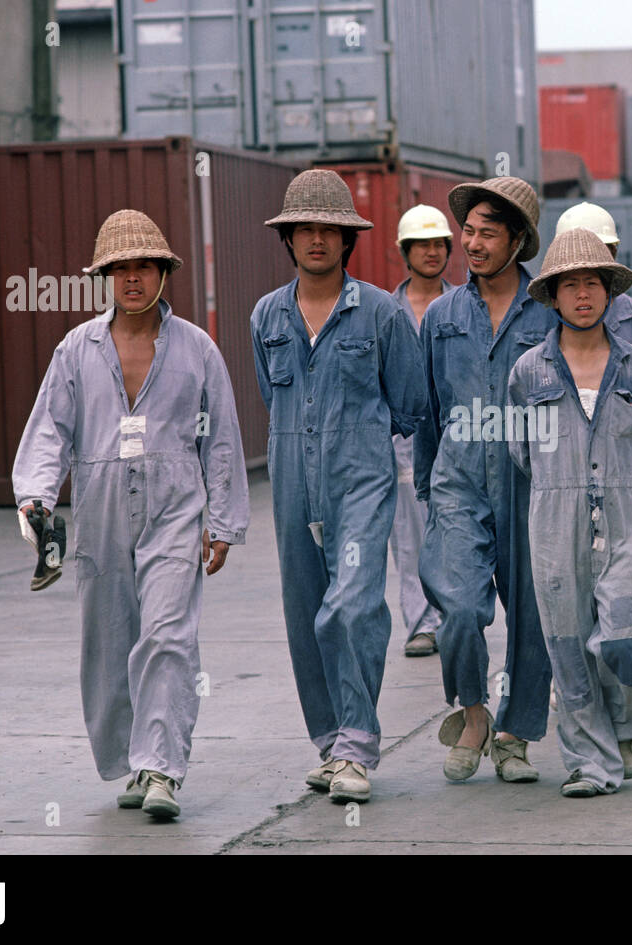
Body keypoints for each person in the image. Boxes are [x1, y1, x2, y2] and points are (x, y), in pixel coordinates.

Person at [12, 209, 250, 819]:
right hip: (101, 504)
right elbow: (48, 430)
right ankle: (133, 760)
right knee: (110, 639)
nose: (133, 279)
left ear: (164, 272)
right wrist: (35, 496)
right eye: (120, 269)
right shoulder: (78, 349)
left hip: (176, 504)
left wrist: (221, 522)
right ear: (105, 277)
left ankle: (164, 768)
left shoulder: (196, 348)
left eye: (144, 266)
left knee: (168, 633)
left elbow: (220, 438)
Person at [251, 170, 427, 804]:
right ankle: (329, 743)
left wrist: (359, 442)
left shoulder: (380, 312)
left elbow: (409, 402)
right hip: (293, 480)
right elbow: (275, 396)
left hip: (361, 479)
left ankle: (356, 743)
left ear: (348, 238)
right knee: (305, 612)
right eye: (306, 229)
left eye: (330, 229)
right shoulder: (267, 315)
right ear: (290, 238)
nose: (317, 239)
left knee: (351, 604)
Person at [508, 227, 632, 798]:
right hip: (554, 517)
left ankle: (627, 723)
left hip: (627, 517)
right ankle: (590, 762)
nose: (583, 295)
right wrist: (565, 490)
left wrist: (624, 499)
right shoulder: (528, 373)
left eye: (593, 284)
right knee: (567, 639)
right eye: (570, 285)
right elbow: (521, 454)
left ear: (609, 292)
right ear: (553, 296)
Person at [415, 176, 554, 784]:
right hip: (459, 480)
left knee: (532, 616)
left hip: (531, 482)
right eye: (467, 231)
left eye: (487, 234)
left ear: (518, 240)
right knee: (460, 609)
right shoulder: (442, 314)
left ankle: (514, 734)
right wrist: (428, 485)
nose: (470, 244)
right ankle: (472, 711)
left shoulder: (548, 313)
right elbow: (427, 408)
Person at [390, 205, 454, 657]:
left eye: (438, 244)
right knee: (409, 536)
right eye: (422, 245)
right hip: (403, 444)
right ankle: (422, 623)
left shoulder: (464, 305)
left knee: (455, 531)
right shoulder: (385, 312)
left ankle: (457, 617)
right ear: (405, 252)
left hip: (457, 437)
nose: (431, 252)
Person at [553, 202, 632, 361]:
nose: (588, 261)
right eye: (579, 253)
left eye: (598, 250)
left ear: (613, 254)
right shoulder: (542, 315)